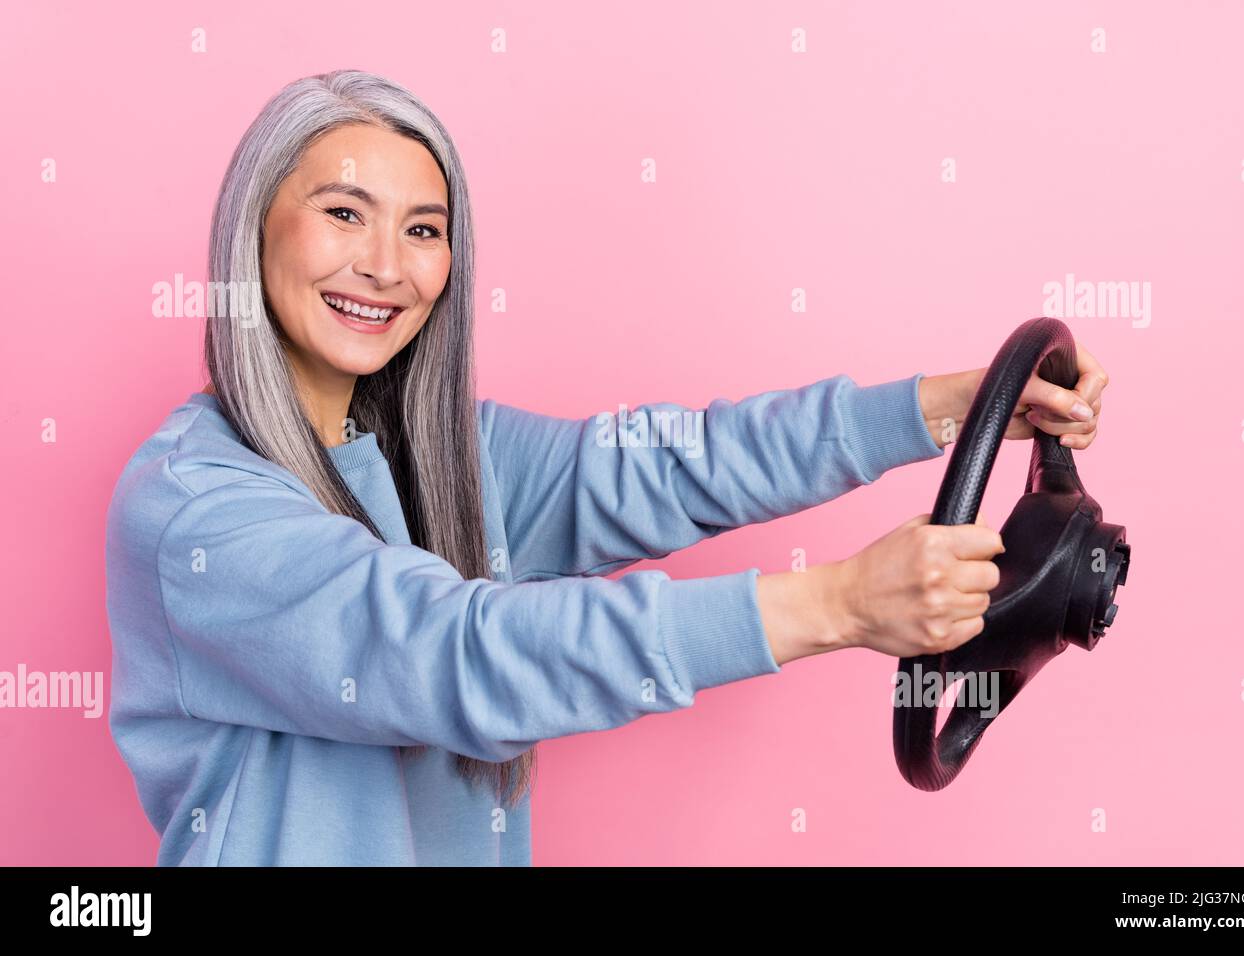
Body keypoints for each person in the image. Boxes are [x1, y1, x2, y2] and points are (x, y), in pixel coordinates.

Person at [104, 69, 1108, 866]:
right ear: (254, 232)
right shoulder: (194, 512)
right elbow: (457, 654)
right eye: (343, 213)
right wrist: (836, 604)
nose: (384, 265)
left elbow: (672, 466)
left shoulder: (452, 455)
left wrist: (949, 404)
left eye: (422, 229)